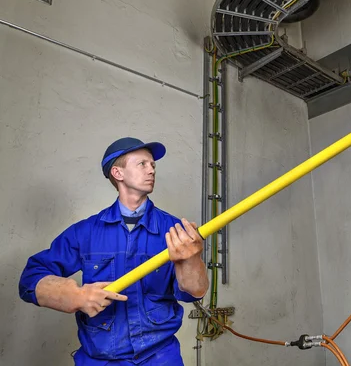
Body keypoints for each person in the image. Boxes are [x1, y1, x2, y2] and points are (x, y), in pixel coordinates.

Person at [19, 137, 209, 366]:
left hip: (160, 357)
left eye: (153, 165)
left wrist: (192, 261)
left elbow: (192, 293)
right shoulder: (86, 232)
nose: (152, 170)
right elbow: (30, 279)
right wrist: (74, 295)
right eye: (142, 164)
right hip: (100, 359)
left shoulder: (174, 231)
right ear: (118, 173)